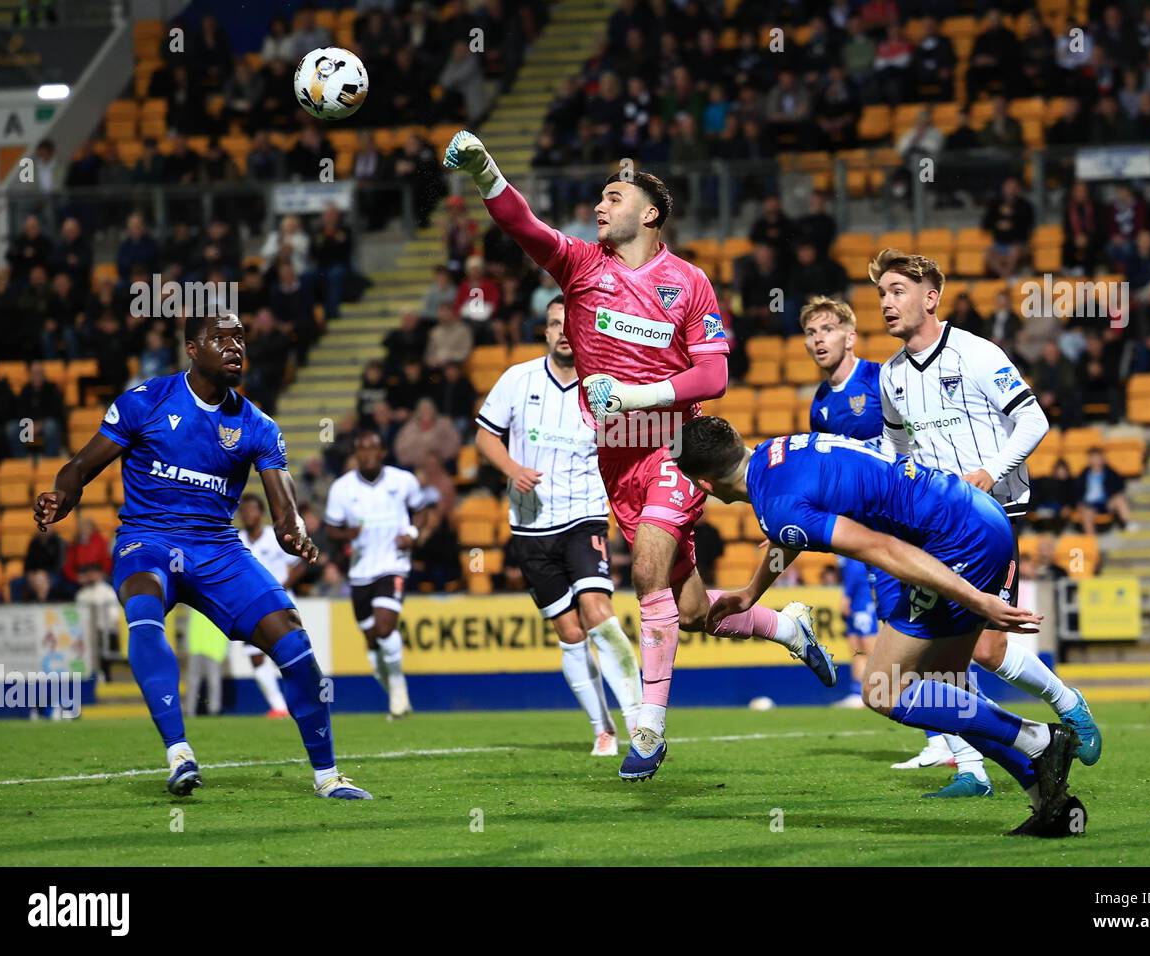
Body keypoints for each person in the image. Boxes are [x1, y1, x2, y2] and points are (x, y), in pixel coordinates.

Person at [445, 130, 835, 781]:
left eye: (613, 195)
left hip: (678, 450)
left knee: (646, 574)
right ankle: (785, 628)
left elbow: (714, 378)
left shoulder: (689, 284)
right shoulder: (580, 265)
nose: (600, 205)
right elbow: (522, 224)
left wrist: (632, 394)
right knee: (692, 612)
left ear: (649, 213)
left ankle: (647, 730)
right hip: (616, 462)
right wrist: (486, 168)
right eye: (599, 196)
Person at [674, 418, 1086, 837]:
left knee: (882, 689)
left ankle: (1039, 741)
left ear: (704, 485)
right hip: (979, 515)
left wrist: (975, 599)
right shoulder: (776, 453)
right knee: (946, 691)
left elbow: (883, 548)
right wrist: (750, 593)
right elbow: (791, 533)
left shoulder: (776, 507)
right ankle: (1050, 803)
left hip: (958, 541)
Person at [31, 312, 372, 799]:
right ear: (193, 349)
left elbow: (283, 504)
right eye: (222, 339)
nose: (235, 347)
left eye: (241, 340)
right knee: (144, 614)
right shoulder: (145, 401)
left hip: (217, 549)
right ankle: (179, 753)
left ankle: (328, 776)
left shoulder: (258, 425)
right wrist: (60, 497)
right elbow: (80, 466)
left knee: (294, 642)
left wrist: (293, 531)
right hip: (147, 539)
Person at [872, 248, 1101, 795]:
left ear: (931, 298)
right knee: (935, 656)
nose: (886, 302)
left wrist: (989, 472)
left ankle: (1067, 709)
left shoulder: (975, 353)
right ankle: (975, 769)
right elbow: (895, 446)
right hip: (934, 526)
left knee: (984, 650)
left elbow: (1034, 418)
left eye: (898, 291)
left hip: (990, 519)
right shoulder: (891, 376)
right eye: (882, 293)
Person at [475, 296, 643, 754]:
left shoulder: (604, 387)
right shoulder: (517, 379)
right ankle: (603, 729)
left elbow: (629, 445)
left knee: (597, 612)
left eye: (571, 323)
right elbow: (485, 435)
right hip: (530, 526)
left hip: (583, 515)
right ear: (546, 332)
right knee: (570, 633)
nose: (564, 332)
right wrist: (512, 469)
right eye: (554, 324)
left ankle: (640, 721)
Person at [801, 296, 885, 712]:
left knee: (906, 619)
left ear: (851, 337)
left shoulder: (879, 379)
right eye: (811, 332)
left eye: (828, 330)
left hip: (897, 519)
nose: (818, 339)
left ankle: (949, 730)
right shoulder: (820, 403)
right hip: (855, 527)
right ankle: (867, 691)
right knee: (863, 611)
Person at [324, 430, 440, 719]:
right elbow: (330, 529)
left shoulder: (403, 481)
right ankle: (397, 699)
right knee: (373, 643)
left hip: (393, 564)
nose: (368, 454)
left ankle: (399, 687)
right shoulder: (342, 488)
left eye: (373, 448)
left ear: (383, 452)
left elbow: (421, 510)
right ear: (355, 454)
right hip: (361, 571)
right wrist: (345, 535)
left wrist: (412, 533)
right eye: (362, 449)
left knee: (386, 627)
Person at [237, 494, 305, 718]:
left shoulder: (275, 537)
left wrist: (282, 587)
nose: (247, 515)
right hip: (250, 606)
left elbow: (298, 565)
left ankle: (303, 699)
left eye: (251, 510)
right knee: (255, 657)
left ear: (261, 513)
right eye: (243, 511)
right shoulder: (236, 540)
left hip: (279, 604)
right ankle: (279, 706)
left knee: (287, 653)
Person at [1075, 448, 1134, 534]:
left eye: (1098, 458)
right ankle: (1091, 540)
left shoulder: (1109, 472)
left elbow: (1120, 485)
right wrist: (1079, 502)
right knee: (1086, 514)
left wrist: (1112, 495)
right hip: (1089, 504)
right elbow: (1077, 490)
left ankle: (1128, 523)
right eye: (1093, 458)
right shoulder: (1084, 474)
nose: (1096, 460)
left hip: (1106, 503)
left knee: (1119, 499)